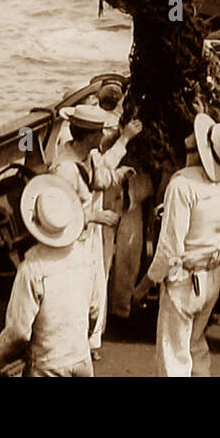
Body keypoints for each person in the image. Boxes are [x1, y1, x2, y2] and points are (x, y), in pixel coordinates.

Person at [133, 114, 220, 377]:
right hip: (211, 274)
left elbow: (170, 249)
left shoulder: (181, 185)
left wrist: (145, 284)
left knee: (173, 353)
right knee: (195, 344)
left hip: (184, 278)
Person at [49, 101, 141, 355]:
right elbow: (58, 213)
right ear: (89, 136)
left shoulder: (87, 156)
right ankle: (74, 349)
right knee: (76, 296)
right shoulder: (65, 169)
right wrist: (95, 216)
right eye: (99, 132)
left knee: (93, 293)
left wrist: (120, 174)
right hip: (70, 242)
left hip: (85, 239)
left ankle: (85, 344)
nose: (103, 135)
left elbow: (99, 178)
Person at [0, 175, 97, 377]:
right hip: (81, 361)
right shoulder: (85, 256)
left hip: (48, 365)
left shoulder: (32, 268)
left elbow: (18, 333)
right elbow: (94, 310)